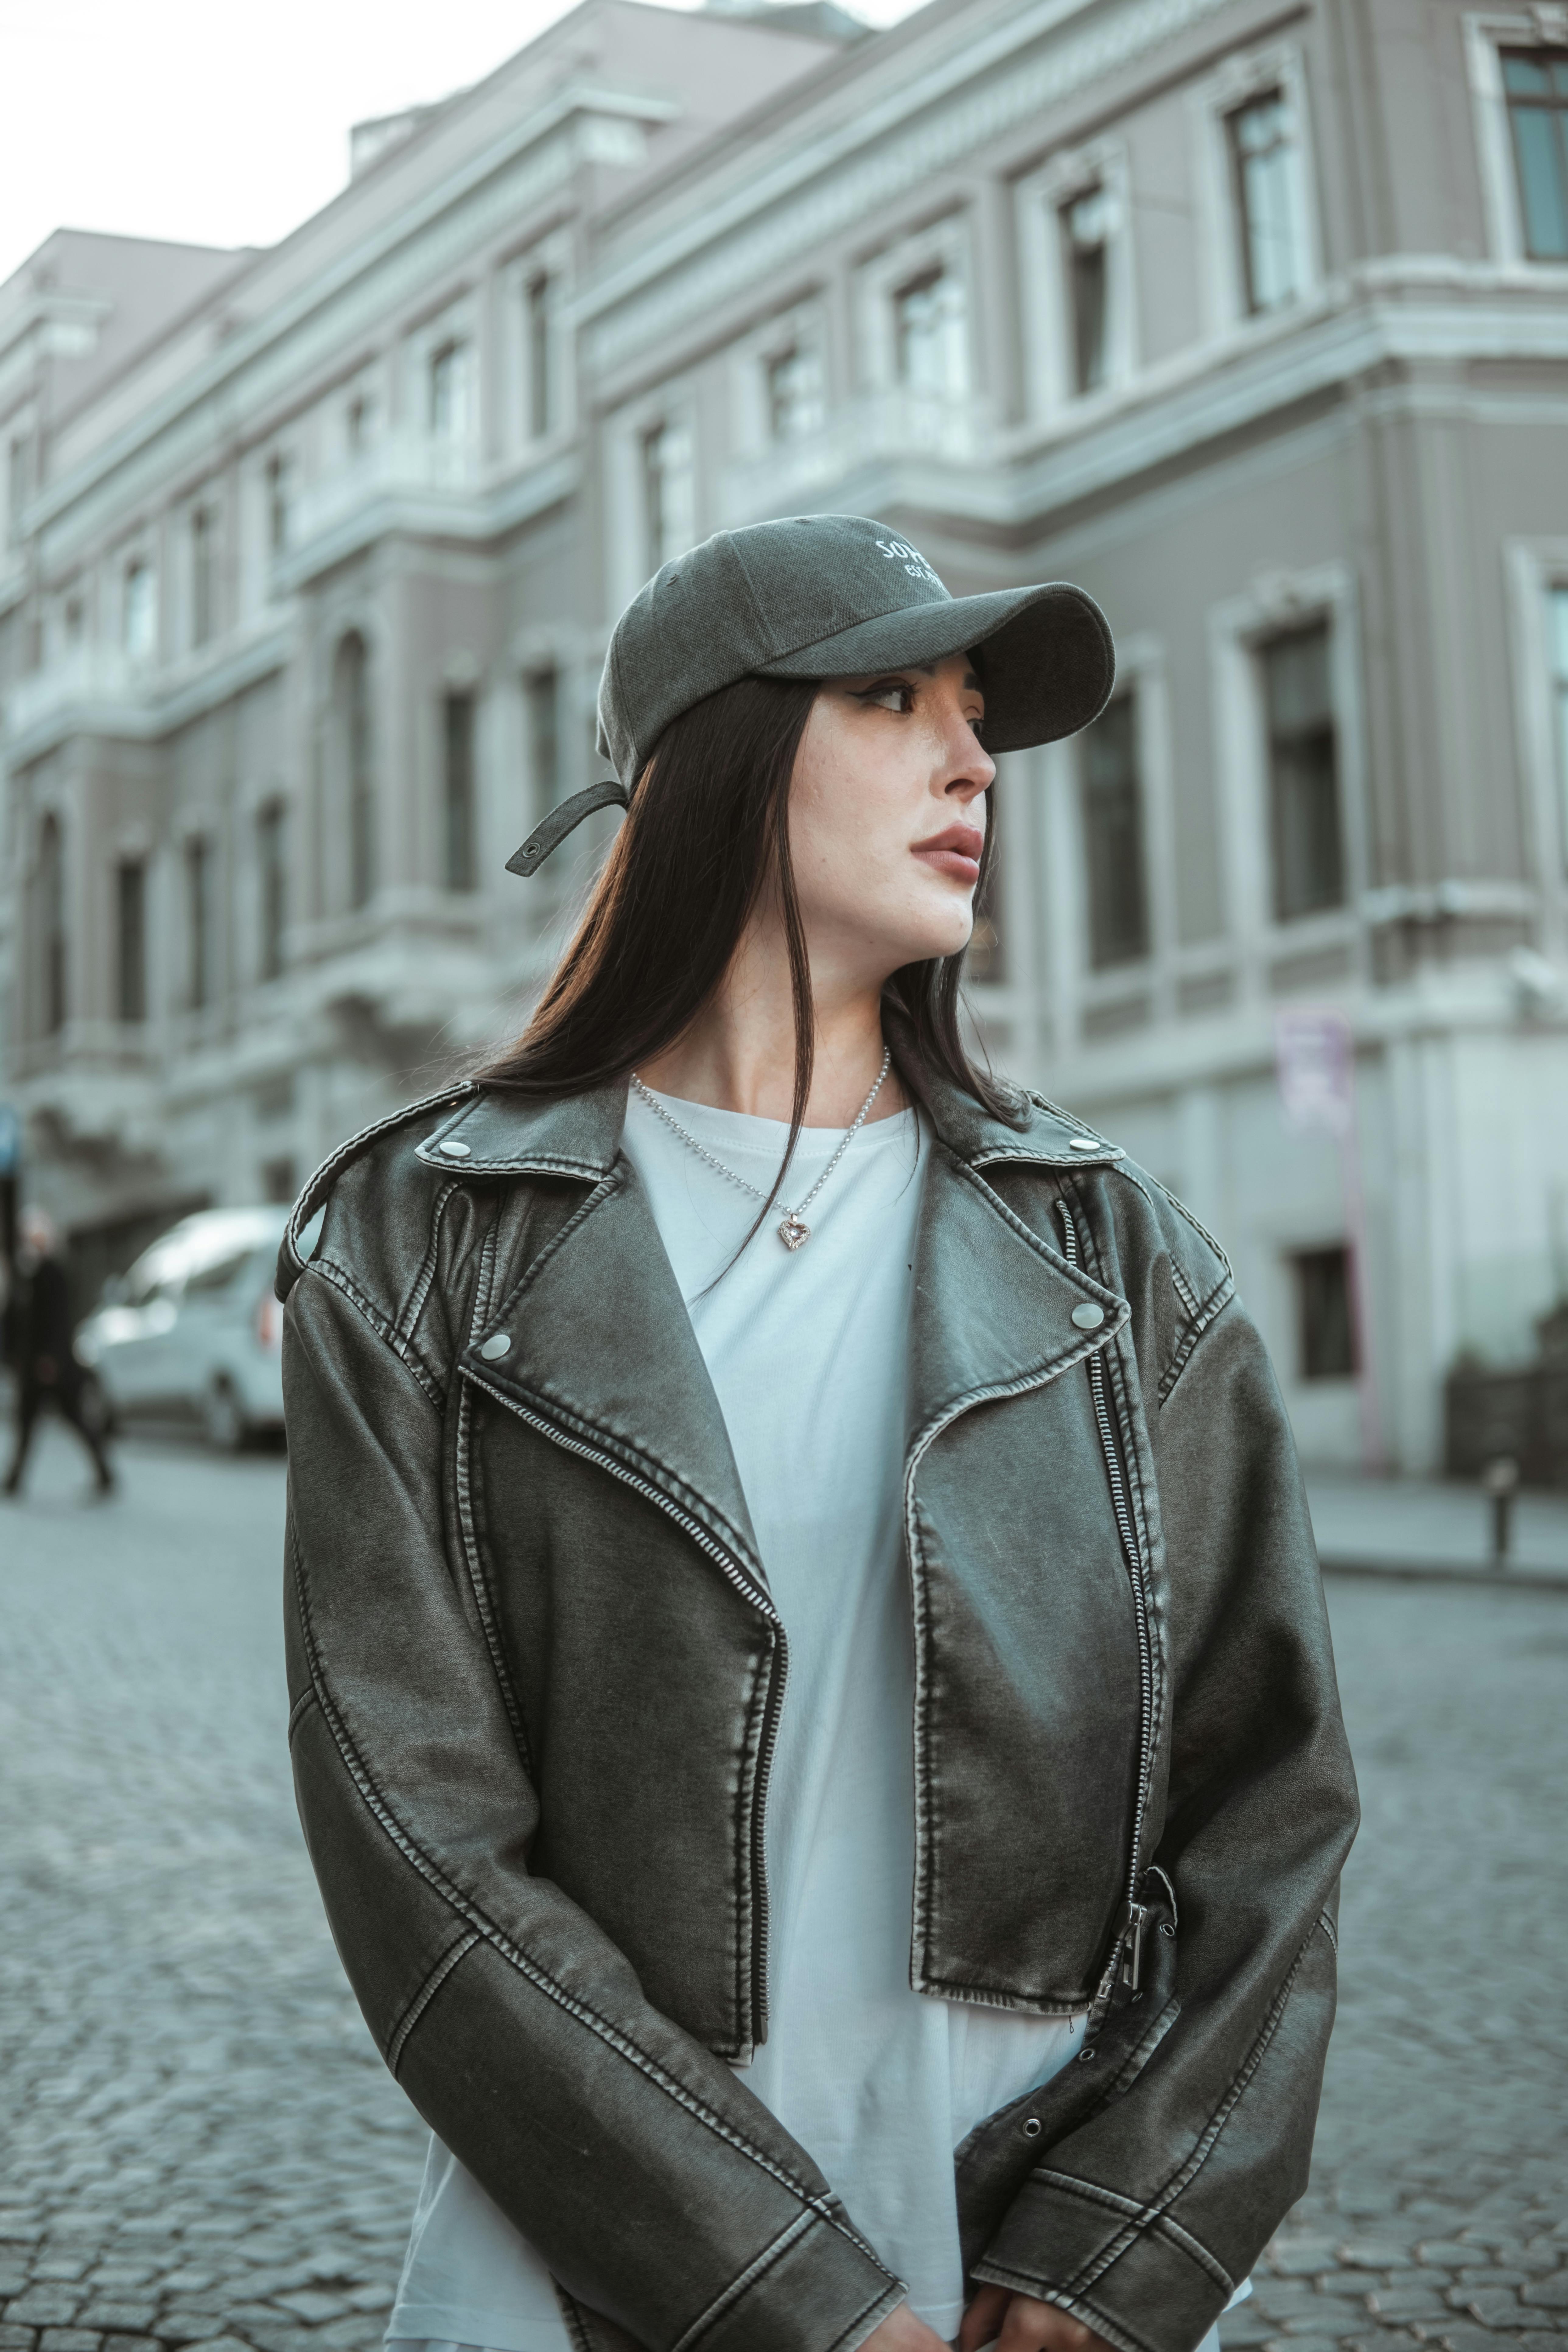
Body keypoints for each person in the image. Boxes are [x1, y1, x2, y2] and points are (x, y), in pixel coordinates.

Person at [278, 514, 1357, 2352]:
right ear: (723, 761)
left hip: (1028, 2255)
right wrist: (791, 2294)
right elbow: (420, 1854)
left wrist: (1110, 2254)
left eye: (974, 713)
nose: (971, 761)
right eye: (890, 698)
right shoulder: (419, 1248)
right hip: (588, 2268)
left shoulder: (1114, 1258)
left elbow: (1275, 1810)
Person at [4, 1206, 115, 1498]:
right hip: (32, 1365)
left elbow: (60, 1319)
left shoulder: (53, 1272)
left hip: (52, 1365)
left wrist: (51, 1359)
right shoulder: (28, 1273)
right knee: (26, 1421)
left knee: (74, 1419)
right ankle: (15, 1480)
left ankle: (105, 1474)